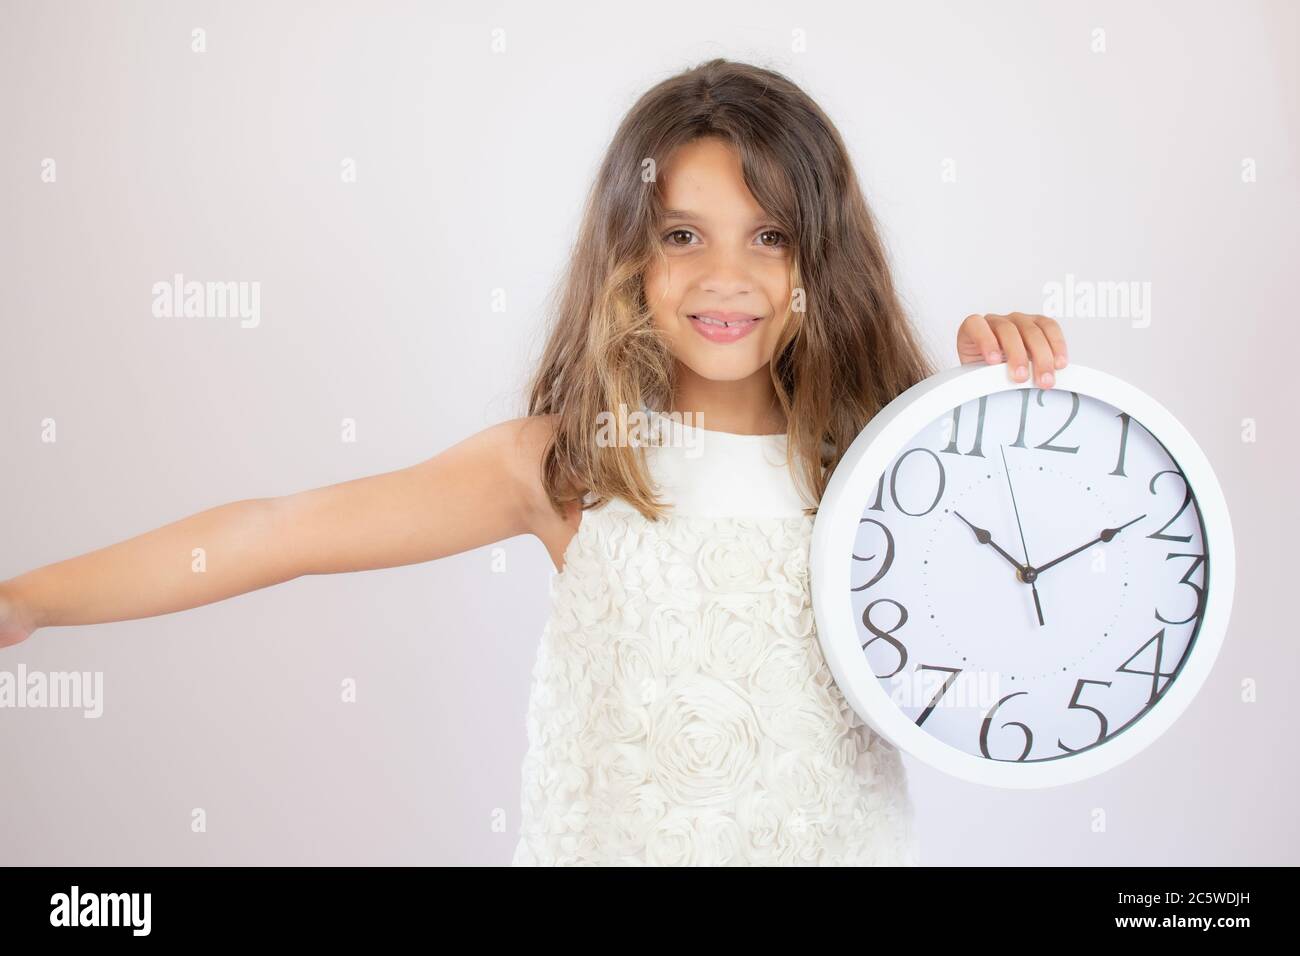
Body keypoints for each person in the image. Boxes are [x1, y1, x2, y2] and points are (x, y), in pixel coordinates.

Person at [0, 58, 1069, 866]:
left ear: (820, 258)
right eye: (683, 236)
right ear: (627, 254)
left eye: (770, 236)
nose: (726, 277)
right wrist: (28, 599)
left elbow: (1035, 625)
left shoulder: (891, 462)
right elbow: (279, 529)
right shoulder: (568, 467)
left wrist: (986, 403)